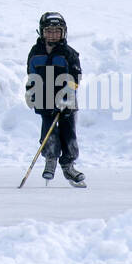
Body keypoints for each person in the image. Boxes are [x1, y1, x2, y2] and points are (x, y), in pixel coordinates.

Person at [24, 11, 86, 187]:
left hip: (66, 99)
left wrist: (67, 95)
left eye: (57, 31)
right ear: (41, 32)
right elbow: (32, 74)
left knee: (68, 133)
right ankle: (50, 159)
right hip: (45, 98)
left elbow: (75, 77)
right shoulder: (35, 52)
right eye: (49, 31)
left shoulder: (69, 53)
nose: (53, 34)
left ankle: (68, 165)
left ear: (63, 32)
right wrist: (30, 91)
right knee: (48, 131)